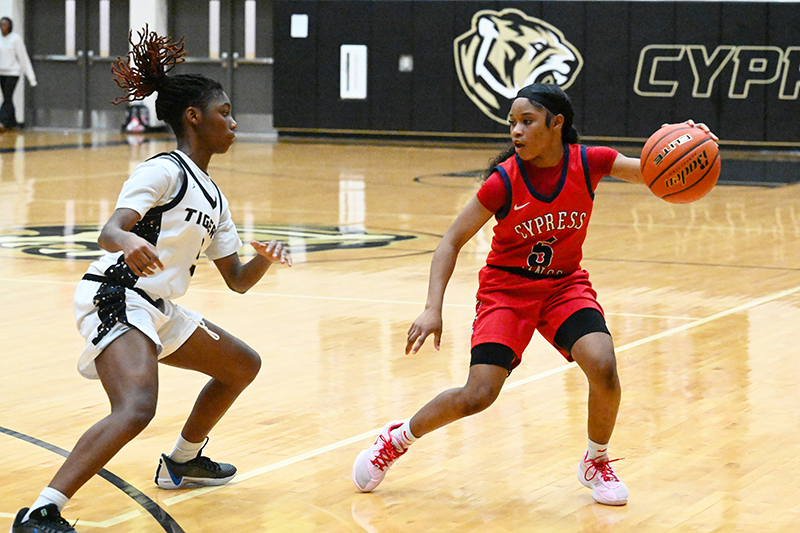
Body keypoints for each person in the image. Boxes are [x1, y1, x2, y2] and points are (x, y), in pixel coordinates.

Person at [352, 83, 718, 506]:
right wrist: (432, 307)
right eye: (512, 123)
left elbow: (654, 170)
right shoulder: (504, 181)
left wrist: (692, 141)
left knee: (603, 367)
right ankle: (397, 439)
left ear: (556, 123)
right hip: (506, 291)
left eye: (527, 122)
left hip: (564, 285)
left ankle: (595, 460)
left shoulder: (589, 161)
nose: (516, 132)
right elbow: (450, 241)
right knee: (478, 396)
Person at [10, 28, 291, 533]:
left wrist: (264, 259)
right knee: (137, 407)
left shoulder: (217, 199)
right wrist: (130, 241)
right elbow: (109, 229)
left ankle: (182, 461)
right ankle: (41, 511)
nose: (233, 121)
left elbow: (237, 281)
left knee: (242, 366)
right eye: (224, 112)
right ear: (193, 117)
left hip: (159, 306)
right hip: (116, 294)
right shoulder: (163, 170)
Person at [0, 16, 36, 131]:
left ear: (10, 26)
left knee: (8, 96)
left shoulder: (16, 39)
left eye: (5, 25)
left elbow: (23, 58)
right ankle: (12, 123)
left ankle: (2, 121)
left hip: (13, 73)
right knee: (7, 98)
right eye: (1, 25)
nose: (3, 27)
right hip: (2, 72)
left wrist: (31, 77)